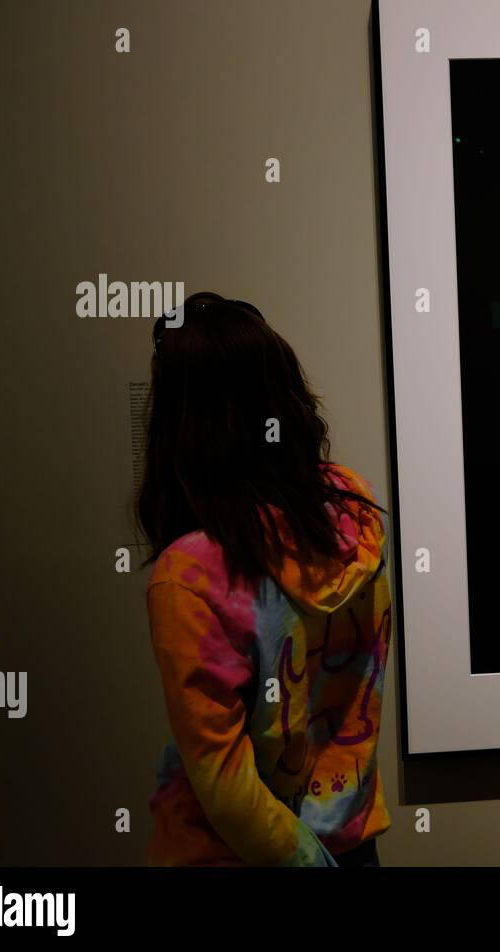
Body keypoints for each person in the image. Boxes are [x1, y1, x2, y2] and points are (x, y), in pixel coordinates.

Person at [137, 293, 391, 867]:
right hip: (350, 838)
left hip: (240, 855)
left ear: (180, 423)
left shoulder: (191, 573)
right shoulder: (352, 508)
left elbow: (226, 787)